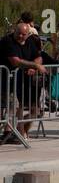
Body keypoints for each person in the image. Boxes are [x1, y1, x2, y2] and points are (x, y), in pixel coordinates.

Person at [1, 13, 48, 142]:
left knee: (19, 107)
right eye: (19, 34)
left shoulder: (30, 41)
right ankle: (9, 132)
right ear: (15, 31)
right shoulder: (7, 41)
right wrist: (35, 66)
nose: (21, 36)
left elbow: (39, 56)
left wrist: (34, 66)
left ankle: (12, 131)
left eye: (24, 34)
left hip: (20, 81)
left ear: (28, 34)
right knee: (10, 106)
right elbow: (15, 61)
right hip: (5, 79)